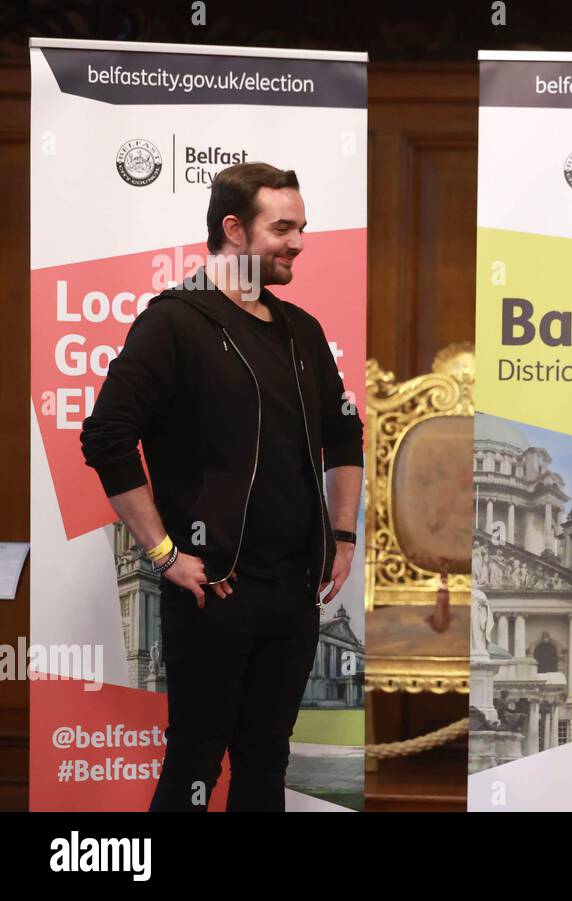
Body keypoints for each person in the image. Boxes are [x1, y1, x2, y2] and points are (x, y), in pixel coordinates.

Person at [80, 162, 363, 811]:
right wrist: (163, 554)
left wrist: (342, 534)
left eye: (303, 227)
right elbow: (107, 437)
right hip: (215, 589)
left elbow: (344, 437)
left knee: (265, 764)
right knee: (195, 765)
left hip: (294, 592)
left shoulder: (303, 333)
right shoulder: (174, 322)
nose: (298, 242)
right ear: (234, 229)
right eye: (283, 227)